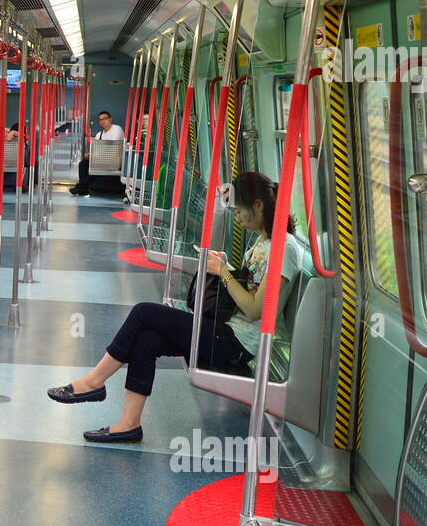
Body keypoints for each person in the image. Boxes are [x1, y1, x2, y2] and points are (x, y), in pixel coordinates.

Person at [47, 172, 308, 443]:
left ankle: (94, 382)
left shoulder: (284, 249)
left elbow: (257, 311)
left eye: (240, 211)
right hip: (225, 330)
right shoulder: (263, 241)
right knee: (146, 341)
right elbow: (251, 288)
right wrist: (226, 267)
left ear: (258, 206)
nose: (238, 218)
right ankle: (129, 424)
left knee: (143, 312)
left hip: (235, 344)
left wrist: (225, 274)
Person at [69, 111, 124, 196]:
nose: (102, 121)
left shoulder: (117, 129)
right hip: (101, 160)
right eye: (100, 120)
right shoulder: (99, 134)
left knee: (96, 167)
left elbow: (112, 147)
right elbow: (96, 150)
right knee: (83, 164)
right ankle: (83, 188)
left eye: (105, 119)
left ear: (110, 119)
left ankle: (81, 187)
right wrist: (90, 154)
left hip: (115, 161)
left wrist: (95, 155)